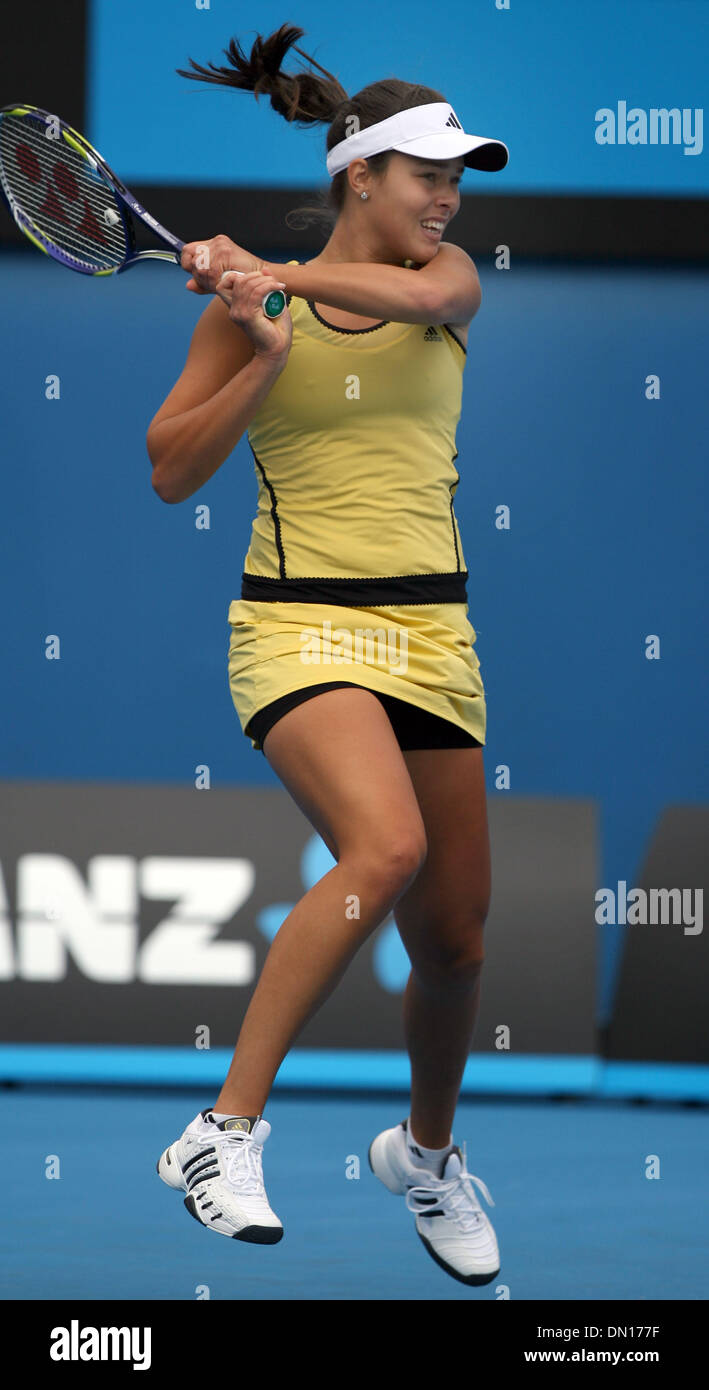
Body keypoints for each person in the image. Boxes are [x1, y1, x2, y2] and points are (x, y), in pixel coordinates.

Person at [151, 22, 508, 1288]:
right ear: (361, 176)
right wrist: (262, 354)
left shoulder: (447, 280)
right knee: (387, 846)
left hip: (435, 631)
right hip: (296, 624)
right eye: (428, 176)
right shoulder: (260, 309)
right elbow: (168, 470)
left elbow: (416, 296)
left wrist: (278, 281)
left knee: (456, 939)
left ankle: (424, 1154)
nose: (449, 201)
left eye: (459, 180)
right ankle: (221, 1130)